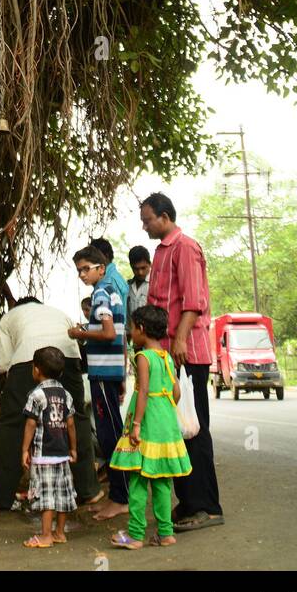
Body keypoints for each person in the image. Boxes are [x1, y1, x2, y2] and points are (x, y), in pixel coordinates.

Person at [0, 297, 100, 511]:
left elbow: (4, 364)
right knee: (77, 417)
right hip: (68, 358)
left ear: (18, 307)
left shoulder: (9, 318)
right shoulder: (57, 311)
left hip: (28, 359)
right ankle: (89, 490)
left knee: (13, 424)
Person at [141, 191, 224, 531]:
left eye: (147, 219)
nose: (144, 226)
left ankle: (207, 507)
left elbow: (194, 301)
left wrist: (178, 340)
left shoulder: (186, 247)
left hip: (186, 352)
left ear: (164, 216)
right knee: (176, 428)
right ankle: (188, 502)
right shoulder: (162, 251)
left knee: (194, 428)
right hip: (168, 353)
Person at [108, 304, 191, 550]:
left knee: (138, 480)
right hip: (165, 426)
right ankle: (165, 533)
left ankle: (135, 535)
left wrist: (135, 425)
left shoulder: (143, 357)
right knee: (163, 482)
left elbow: (143, 390)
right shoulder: (166, 356)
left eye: (132, 328)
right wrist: (165, 411)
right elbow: (175, 391)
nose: (131, 333)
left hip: (146, 426)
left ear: (141, 329)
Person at [68, 245, 128, 520]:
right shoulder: (113, 291)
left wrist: (79, 333)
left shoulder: (102, 293)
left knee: (110, 437)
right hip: (112, 372)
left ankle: (121, 497)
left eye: (85, 269)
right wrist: (123, 372)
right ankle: (118, 495)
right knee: (110, 432)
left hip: (103, 373)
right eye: (79, 270)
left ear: (100, 268)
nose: (82, 274)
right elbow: (121, 334)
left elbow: (107, 332)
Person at [21, 346, 77, 548]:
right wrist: (73, 449)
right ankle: (59, 533)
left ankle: (45, 535)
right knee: (62, 494)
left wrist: (25, 450)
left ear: (36, 370)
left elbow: (31, 423)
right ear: (61, 372)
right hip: (62, 454)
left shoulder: (36, 395)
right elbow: (71, 424)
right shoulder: (66, 395)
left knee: (46, 495)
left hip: (43, 455)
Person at [127, 246, 152, 325]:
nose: (140, 272)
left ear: (150, 264)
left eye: (143, 268)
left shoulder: (155, 284)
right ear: (131, 266)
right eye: (136, 269)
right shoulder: (128, 286)